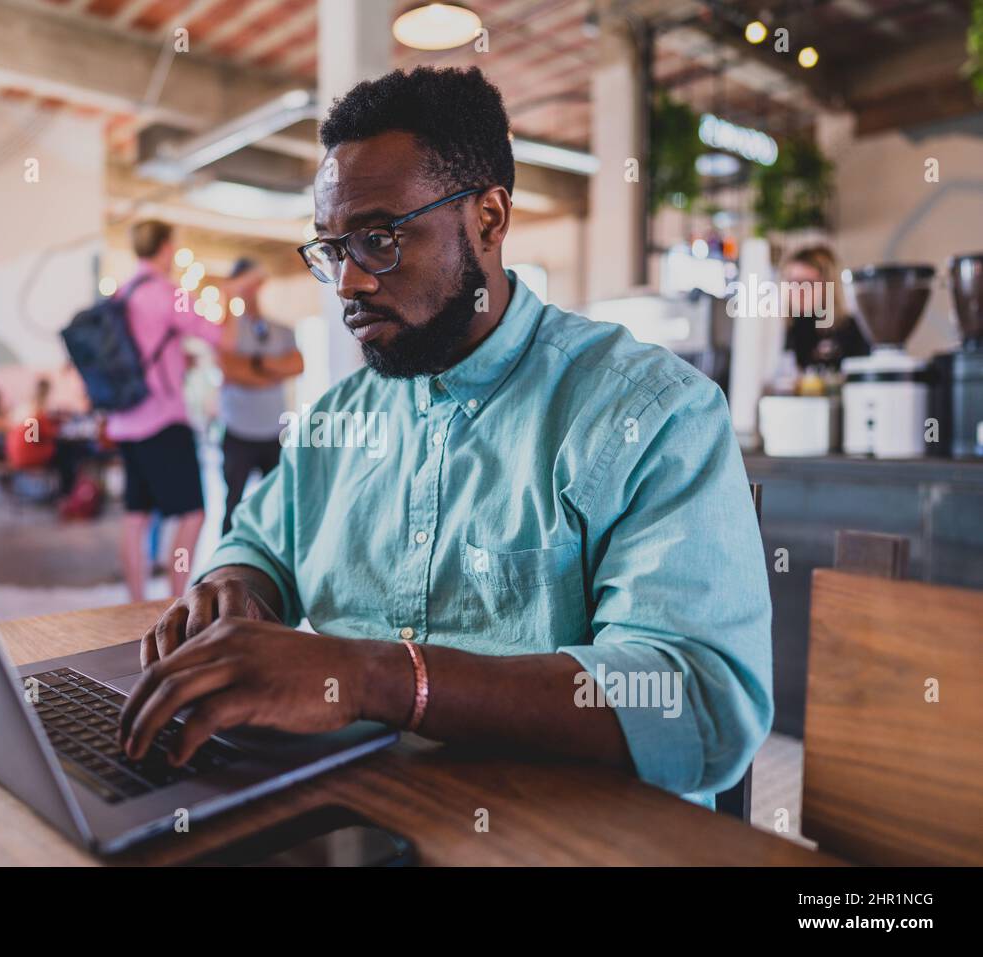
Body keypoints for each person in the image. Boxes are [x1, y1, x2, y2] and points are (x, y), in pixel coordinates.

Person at [116, 67, 772, 811]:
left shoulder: (650, 413)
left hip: (555, 837)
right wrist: (229, 586)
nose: (348, 285)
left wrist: (369, 677)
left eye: (379, 239)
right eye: (333, 249)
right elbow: (261, 544)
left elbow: (700, 702)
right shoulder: (342, 415)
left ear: (488, 220)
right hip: (351, 812)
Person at [106, 220, 226, 600]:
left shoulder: (121, 296)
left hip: (124, 420)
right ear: (166, 247)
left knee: (135, 516)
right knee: (193, 513)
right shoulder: (166, 293)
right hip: (162, 419)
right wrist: (230, 296)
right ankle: (179, 598)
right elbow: (215, 333)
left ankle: (136, 603)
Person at [216, 258, 304, 535]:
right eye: (244, 284)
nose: (250, 290)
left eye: (254, 284)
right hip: (238, 431)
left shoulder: (281, 329)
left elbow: (297, 365)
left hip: (274, 433)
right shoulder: (228, 331)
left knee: (279, 504)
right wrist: (271, 369)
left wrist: (252, 365)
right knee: (233, 504)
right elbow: (229, 367)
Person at [781, 245, 869, 371]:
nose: (797, 291)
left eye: (808, 284)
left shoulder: (852, 330)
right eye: (791, 283)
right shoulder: (782, 331)